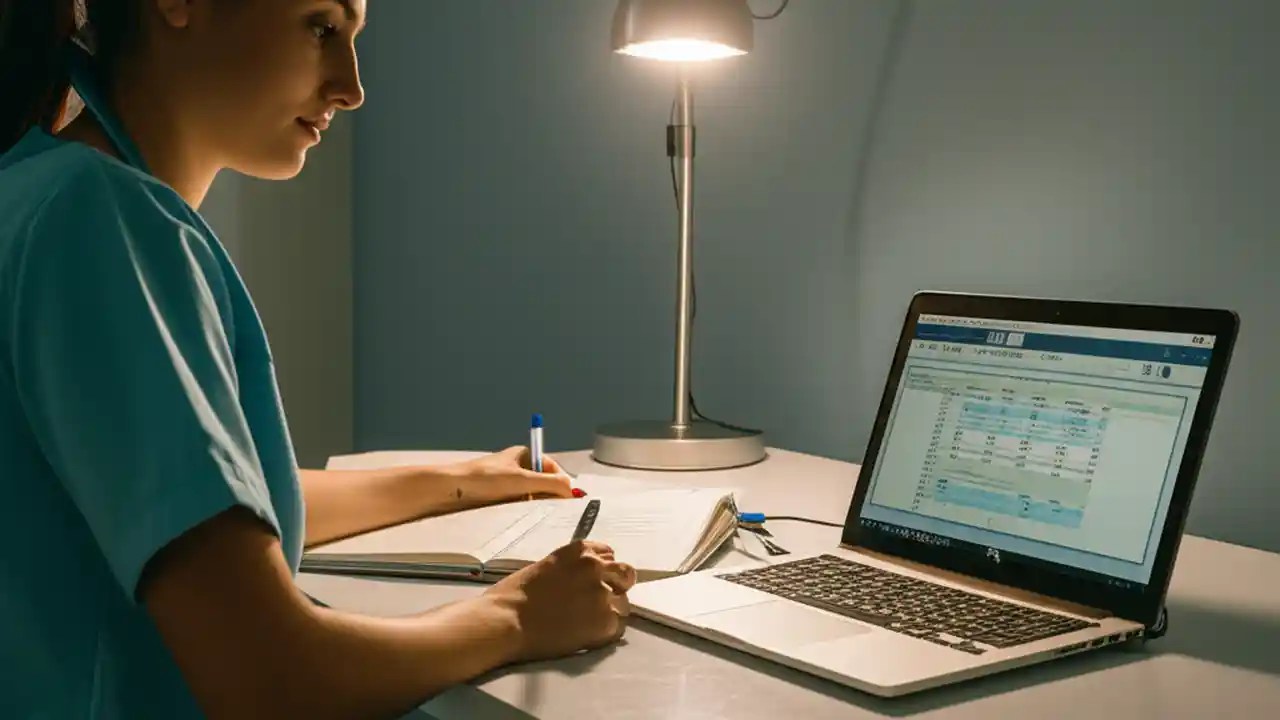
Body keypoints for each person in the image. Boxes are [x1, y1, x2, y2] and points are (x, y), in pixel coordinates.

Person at [0, 1, 636, 718]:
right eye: (321, 27)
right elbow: (267, 673)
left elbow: (212, 509)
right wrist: (518, 615)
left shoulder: (40, 193)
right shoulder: (105, 225)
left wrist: (459, 479)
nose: (352, 86)